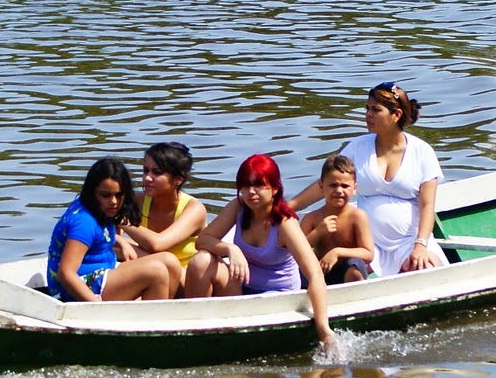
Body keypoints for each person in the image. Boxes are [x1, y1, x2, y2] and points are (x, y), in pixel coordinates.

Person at [292, 81, 446, 276]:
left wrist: (420, 245)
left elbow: (427, 207)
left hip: (410, 241)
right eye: (367, 109)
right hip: (367, 243)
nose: (368, 115)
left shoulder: (422, 151)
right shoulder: (358, 146)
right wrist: (289, 207)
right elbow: (324, 185)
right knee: (348, 271)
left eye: (375, 110)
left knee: (426, 269)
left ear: (396, 115)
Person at [183, 154, 336, 349]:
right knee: (201, 260)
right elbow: (203, 240)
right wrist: (231, 248)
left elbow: (314, 274)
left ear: (274, 189)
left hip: (276, 297)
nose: (251, 192)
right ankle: (195, 331)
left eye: (258, 185)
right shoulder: (238, 207)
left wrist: (323, 327)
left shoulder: (285, 223)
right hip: (242, 288)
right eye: (245, 186)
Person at [46, 158, 182, 302]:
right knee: (156, 271)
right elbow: (66, 274)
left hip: (101, 275)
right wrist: (98, 308)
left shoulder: (100, 208)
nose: (114, 202)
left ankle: (160, 311)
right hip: (74, 291)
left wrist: (121, 242)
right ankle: (151, 320)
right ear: (92, 193)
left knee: (170, 262)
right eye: (106, 195)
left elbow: (97, 236)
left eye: (119, 195)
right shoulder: (83, 223)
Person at [121, 142, 208, 272]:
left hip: (184, 276)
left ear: (178, 179)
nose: (147, 178)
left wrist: (120, 220)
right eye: (146, 170)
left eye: (157, 172)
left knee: (165, 259)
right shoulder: (138, 200)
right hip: (152, 269)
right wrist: (119, 240)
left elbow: (158, 244)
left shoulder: (194, 209)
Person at [299, 153, 375, 284]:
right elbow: (296, 253)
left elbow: (368, 254)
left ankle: (354, 298)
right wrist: (317, 233)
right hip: (320, 274)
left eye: (345, 186)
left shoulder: (357, 217)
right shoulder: (312, 218)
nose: (339, 191)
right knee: (301, 270)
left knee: (354, 266)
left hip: (347, 273)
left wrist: (337, 252)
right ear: (321, 186)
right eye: (333, 185)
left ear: (355, 188)